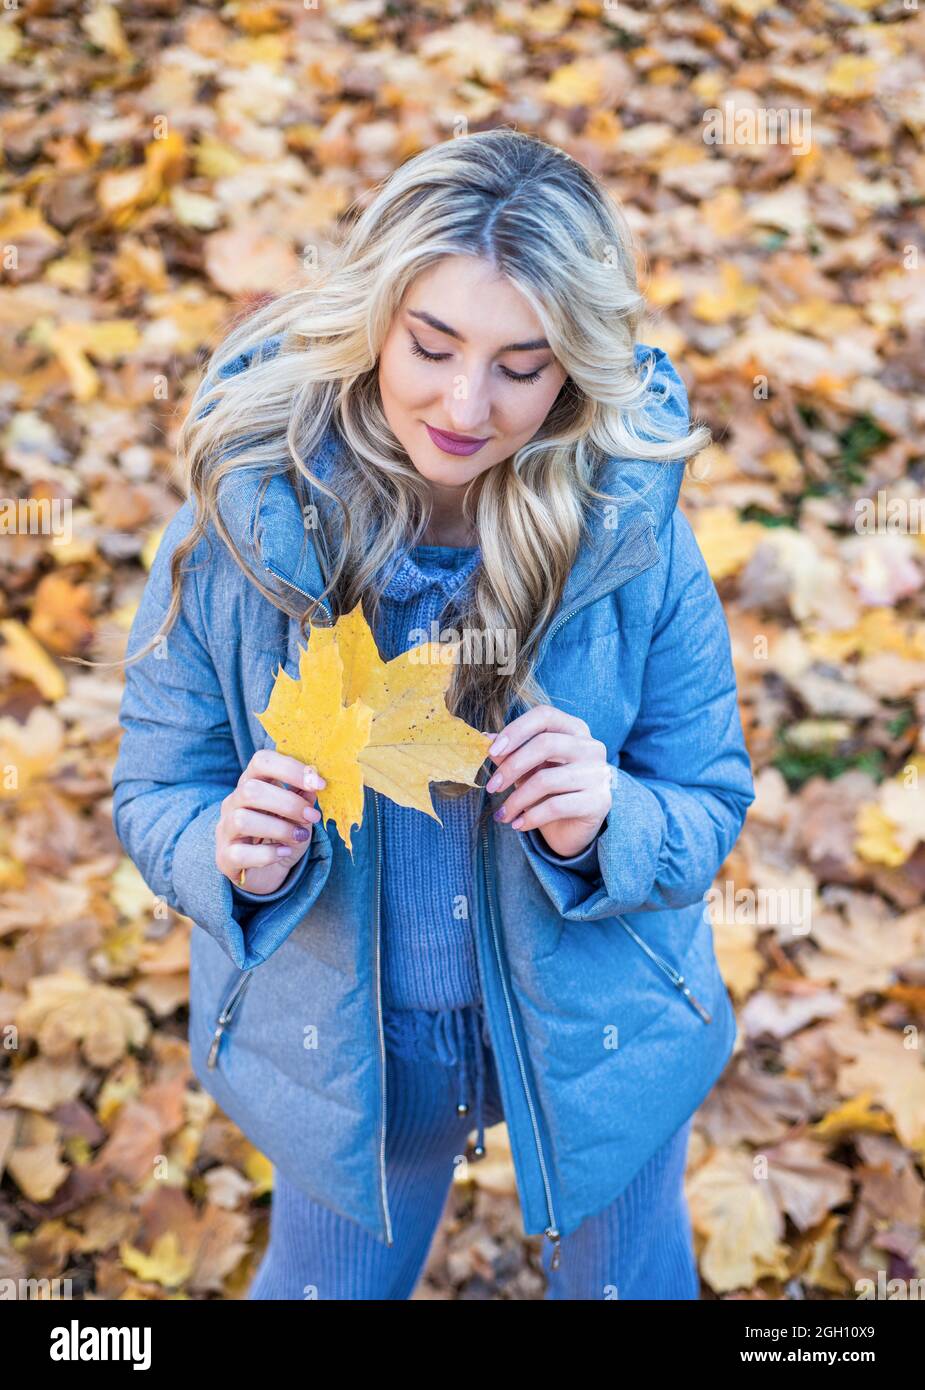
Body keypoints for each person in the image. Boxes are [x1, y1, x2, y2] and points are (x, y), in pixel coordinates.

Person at [111, 127, 755, 1300]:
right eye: (432, 344)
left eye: (523, 363)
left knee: (632, 1286)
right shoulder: (245, 533)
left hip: (597, 1032)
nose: (466, 403)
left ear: (574, 367)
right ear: (374, 316)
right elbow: (156, 788)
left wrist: (611, 816)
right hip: (350, 1056)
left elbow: (707, 795)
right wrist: (222, 852)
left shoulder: (628, 539)